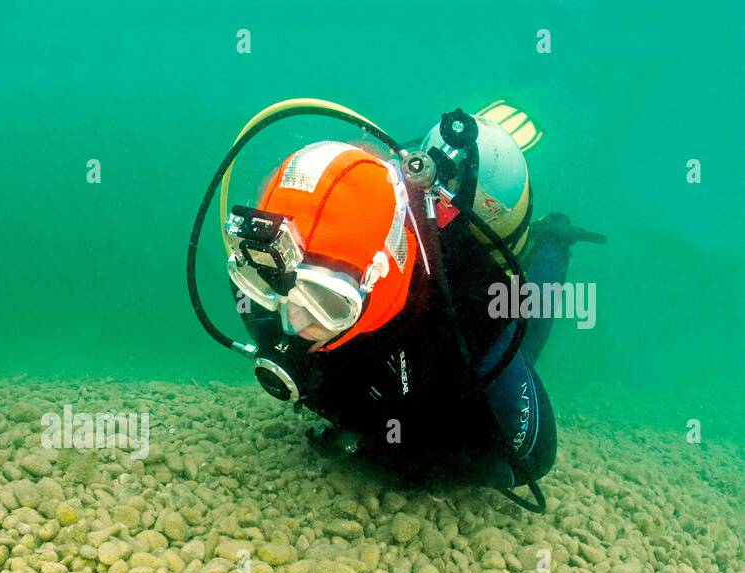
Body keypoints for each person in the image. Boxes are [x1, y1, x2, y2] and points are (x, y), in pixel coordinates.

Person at [187, 100, 604, 511]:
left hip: (472, 310)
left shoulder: (458, 325)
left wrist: (415, 465)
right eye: (269, 284)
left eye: (328, 301)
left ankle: (553, 239)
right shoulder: (263, 288)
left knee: (523, 322)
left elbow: (535, 452)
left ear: (377, 285)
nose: (291, 322)